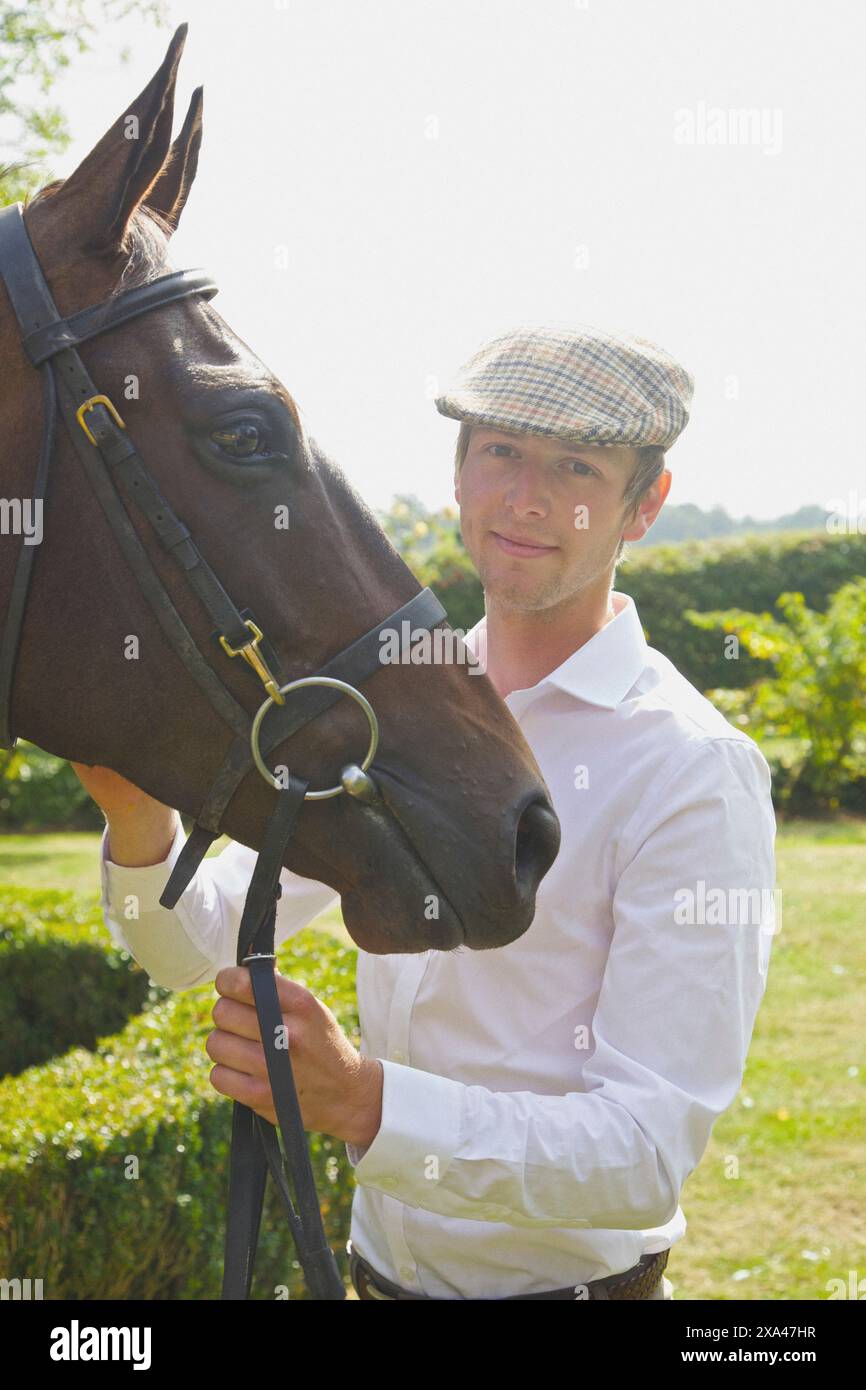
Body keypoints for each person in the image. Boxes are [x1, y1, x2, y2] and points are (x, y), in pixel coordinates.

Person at [79, 322, 777, 1301]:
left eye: (575, 464)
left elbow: (644, 1152)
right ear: (457, 474)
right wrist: (139, 823)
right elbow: (192, 945)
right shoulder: (385, 714)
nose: (526, 498)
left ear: (643, 504)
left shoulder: (692, 769)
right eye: (500, 451)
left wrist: (365, 1102)